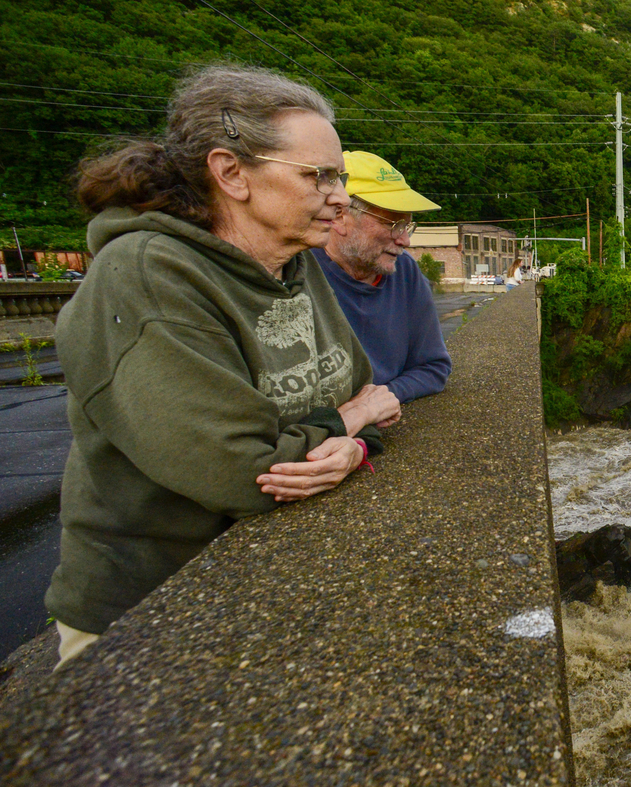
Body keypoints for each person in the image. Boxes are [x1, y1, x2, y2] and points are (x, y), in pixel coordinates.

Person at [46, 66, 400, 667]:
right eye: (319, 176)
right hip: (148, 615)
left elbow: (364, 392)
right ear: (231, 173)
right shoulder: (146, 276)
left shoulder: (293, 262)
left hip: (267, 580)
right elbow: (244, 470)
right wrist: (345, 425)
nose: (340, 197)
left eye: (337, 177)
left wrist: (357, 442)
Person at [313, 151, 451, 405]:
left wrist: (377, 401)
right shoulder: (300, 271)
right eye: (393, 224)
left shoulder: (405, 271)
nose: (404, 240)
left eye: (407, 226)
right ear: (340, 217)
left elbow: (433, 367)